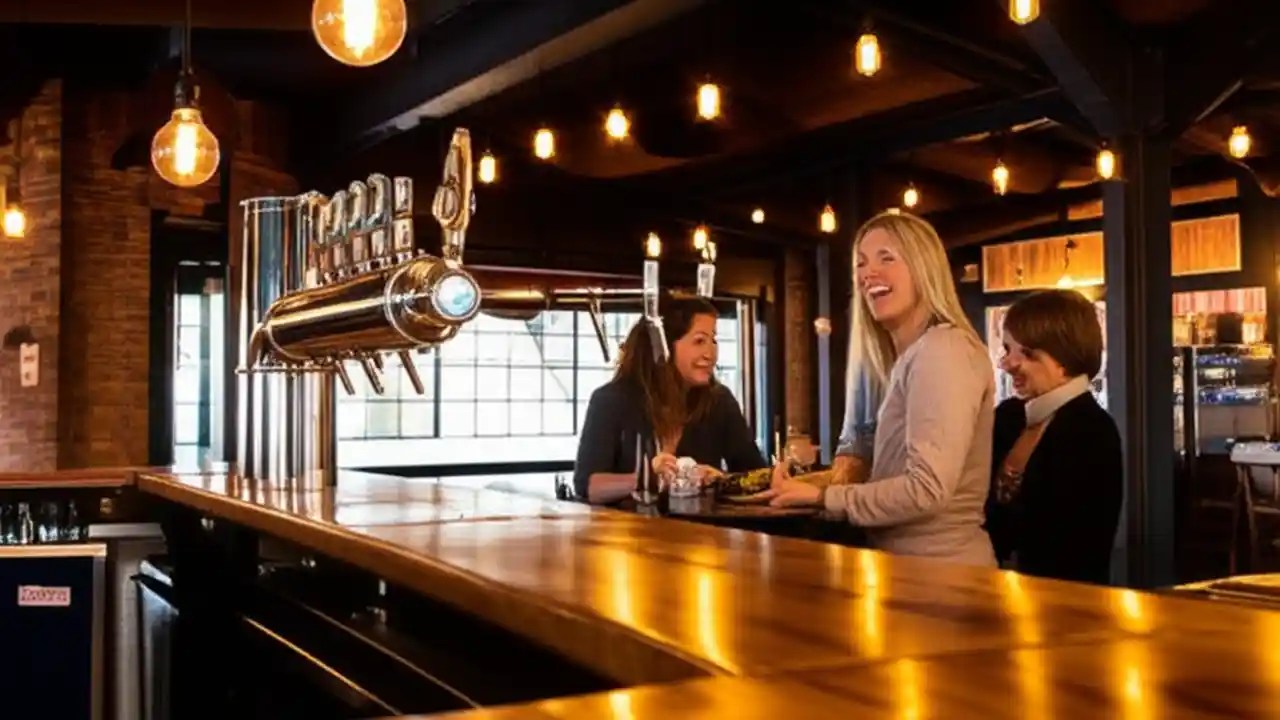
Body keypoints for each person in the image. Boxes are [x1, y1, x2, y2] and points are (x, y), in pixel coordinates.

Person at [762, 211, 997, 567]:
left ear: (924, 268)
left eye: (887, 258)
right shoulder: (914, 355)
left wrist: (825, 498)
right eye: (861, 263)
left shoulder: (942, 350)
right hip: (913, 570)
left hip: (941, 575)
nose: (868, 273)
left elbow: (926, 490)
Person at [985, 289, 1122, 584]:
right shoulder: (1009, 416)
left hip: (1063, 606)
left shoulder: (1091, 431)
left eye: (1024, 353)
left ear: (1063, 359)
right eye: (1007, 351)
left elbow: (1073, 547)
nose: (1006, 364)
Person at [573, 297, 765, 505]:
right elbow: (589, 486)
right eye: (700, 341)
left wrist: (720, 480)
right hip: (630, 533)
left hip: (704, 534)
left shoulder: (719, 401)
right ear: (661, 347)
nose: (711, 354)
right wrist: (648, 478)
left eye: (714, 340)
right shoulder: (611, 400)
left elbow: (756, 474)